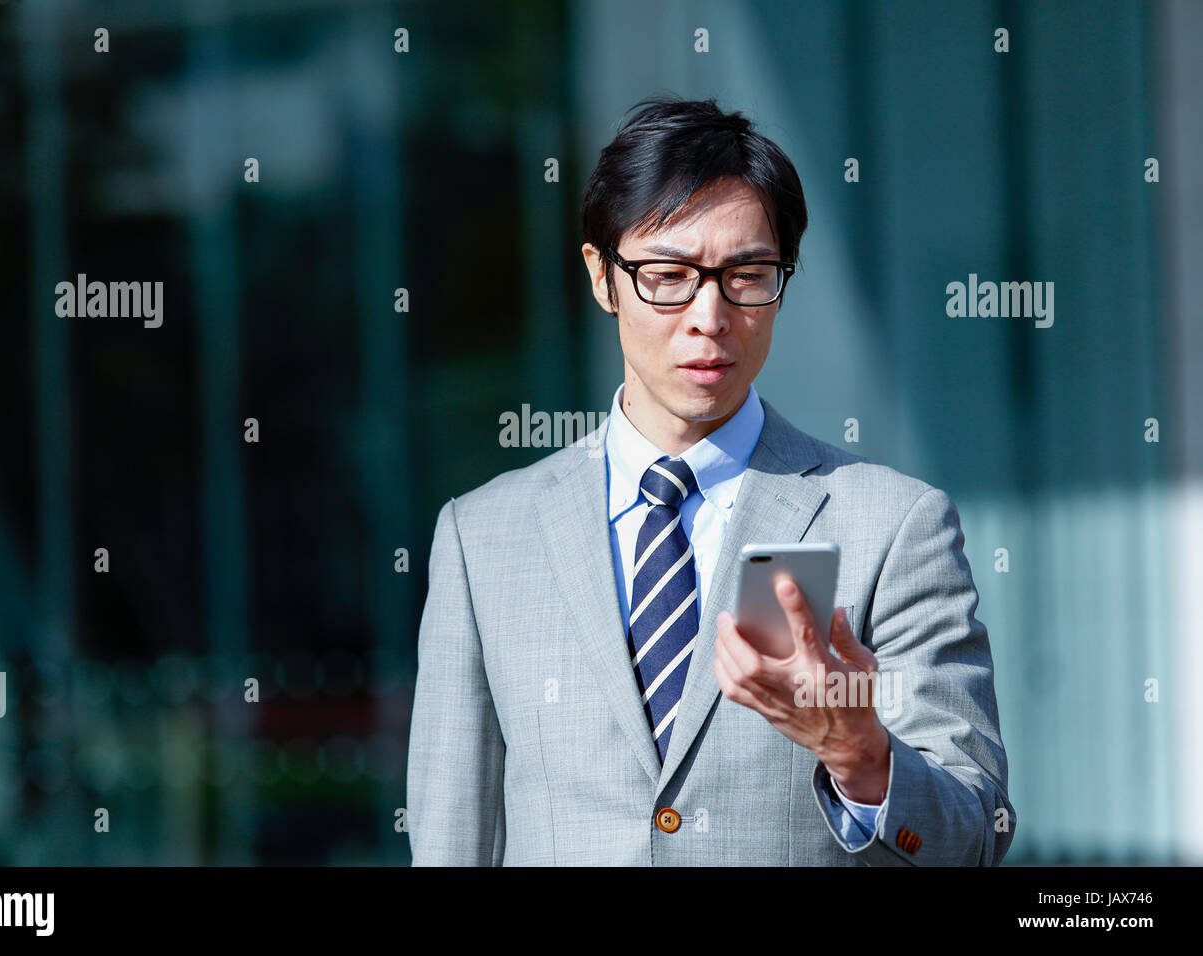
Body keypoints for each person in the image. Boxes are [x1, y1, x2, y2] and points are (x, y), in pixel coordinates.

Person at [406, 95, 1014, 865]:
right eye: (667, 274)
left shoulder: (892, 526)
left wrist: (863, 756)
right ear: (602, 276)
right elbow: (451, 838)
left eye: (747, 275)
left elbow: (974, 837)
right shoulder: (483, 537)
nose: (710, 315)